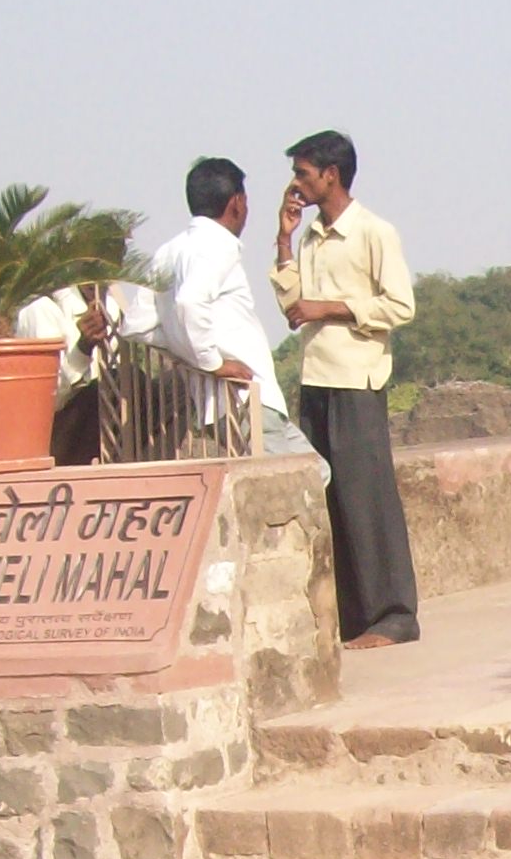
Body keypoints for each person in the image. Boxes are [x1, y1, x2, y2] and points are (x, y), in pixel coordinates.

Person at [273, 130, 422, 648]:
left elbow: (400, 307)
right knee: (334, 500)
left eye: (303, 173)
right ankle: (357, 619)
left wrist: (332, 307)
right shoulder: (312, 236)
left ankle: (395, 616)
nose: (296, 184)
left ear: (330, 175)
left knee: (367, 498)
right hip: (316, 378)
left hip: (357, 381)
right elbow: (293, 308)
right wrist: (284, 241)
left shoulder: (374, 232)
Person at [145, 158, 287, 454]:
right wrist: (212, 362)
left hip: (217, 401)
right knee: (301, 477)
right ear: (237, 202)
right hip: (245, 398)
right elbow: (189, 302)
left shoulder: (168, 252)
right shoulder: (217, 245)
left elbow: (138, 326)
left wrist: (188, 350)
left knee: (304, 472)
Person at [15, 276, 155, 464]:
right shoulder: (43, 309)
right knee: (123, 378)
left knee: (171, 387)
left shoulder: (113, 309)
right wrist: (83, 348)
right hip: (57, 430)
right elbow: (49, 397)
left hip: (103, 420)